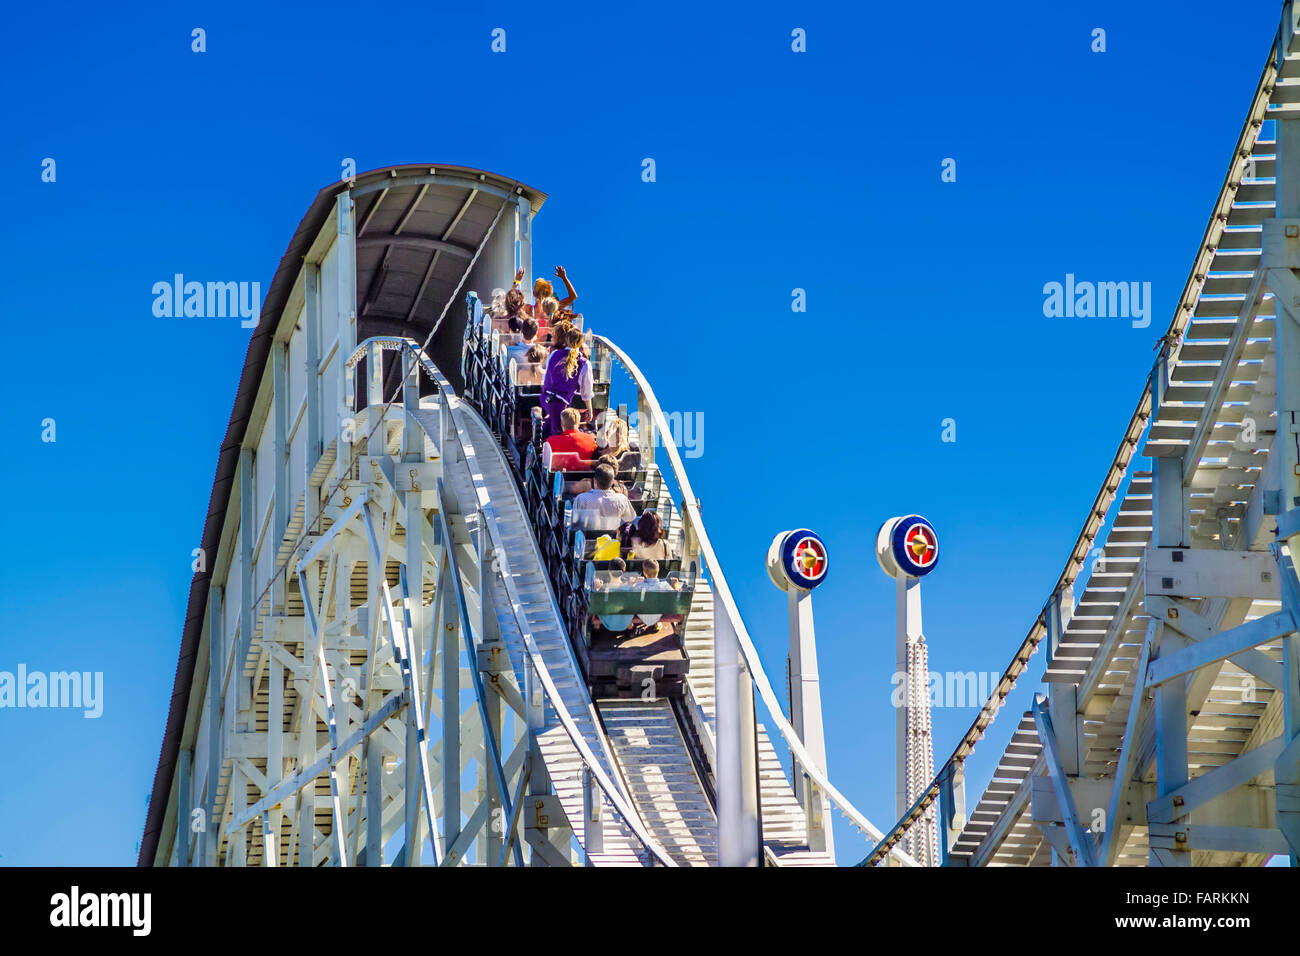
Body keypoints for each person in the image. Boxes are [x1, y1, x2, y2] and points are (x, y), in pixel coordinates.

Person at [540, 326, 593, 436]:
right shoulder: (584, 363)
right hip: (559, 404)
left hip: (545, 398)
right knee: (559, 435)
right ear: (580, 343)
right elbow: (586, 392)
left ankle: (539, 439)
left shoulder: (554, 354)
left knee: (551, 424)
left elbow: (546, 378)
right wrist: (589, 409)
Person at [573, 462, 636, 533]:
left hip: (586, 541)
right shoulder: (622, 499)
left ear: (595, 481)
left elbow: (574, 523)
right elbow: (630, 519)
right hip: (613, 541)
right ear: (612, 481)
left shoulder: (581, 499)